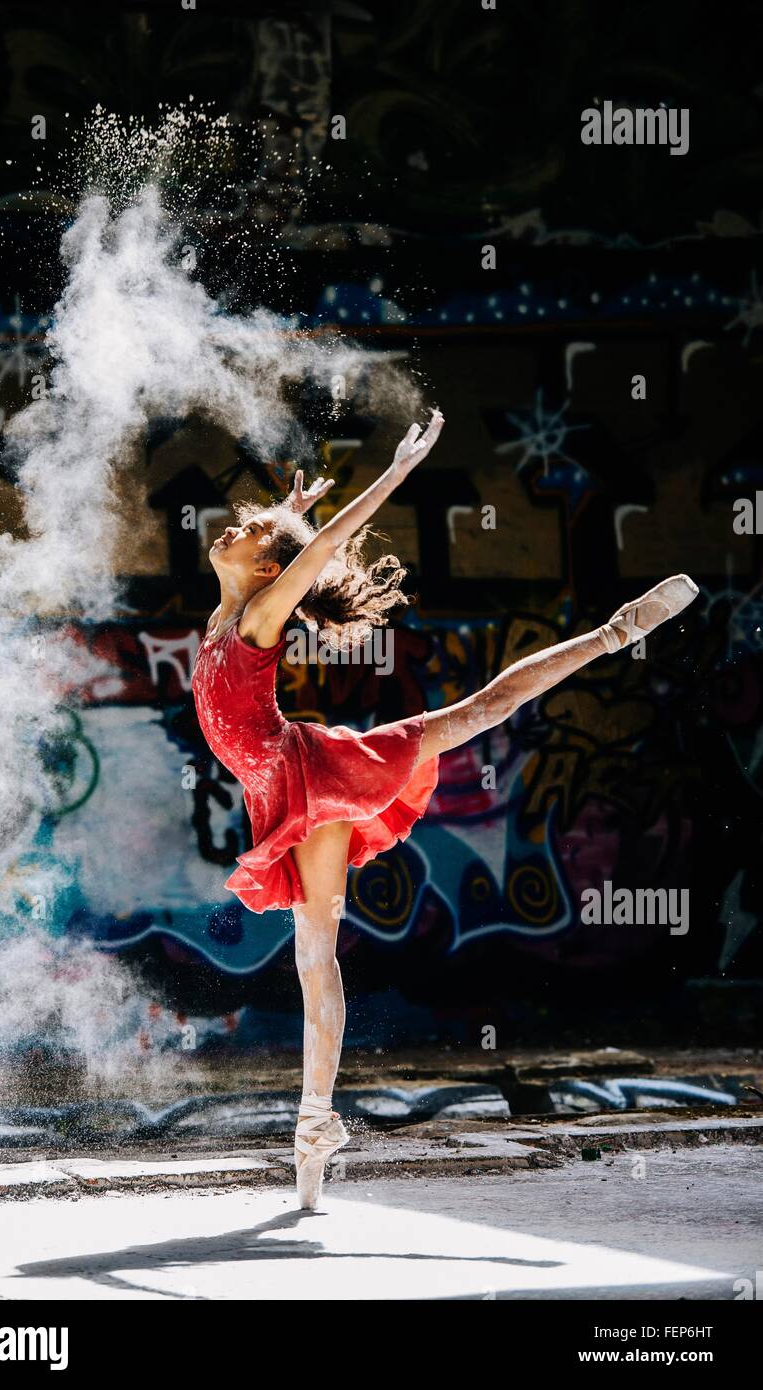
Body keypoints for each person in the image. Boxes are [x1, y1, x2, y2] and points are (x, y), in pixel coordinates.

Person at [191, 409, 698, 1208]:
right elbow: (301, 549)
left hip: (310, 776)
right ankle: (316, 1131)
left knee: (470, 718)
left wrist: (389, 477)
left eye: (247, 533)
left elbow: (317, 554)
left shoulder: (256, 617)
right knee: (311, 954)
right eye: (244, 527)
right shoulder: (225, 612)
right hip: (277, 786)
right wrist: (287, 517)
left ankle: (612, 630)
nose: (230, 530)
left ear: (263, 573)